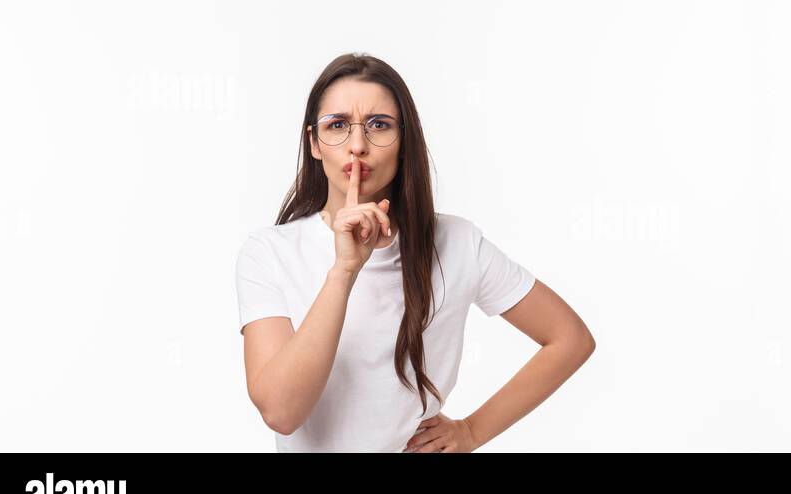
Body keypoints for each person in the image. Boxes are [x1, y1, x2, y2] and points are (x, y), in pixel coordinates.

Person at [234, 53, 595, 452]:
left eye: (379, 125)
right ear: (314, 144)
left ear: (404, 141)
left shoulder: (458, 243)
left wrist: (472, 431)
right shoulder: (269, 252)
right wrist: (344, 271)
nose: (357, 145)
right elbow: (281, 412)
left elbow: (569, 339)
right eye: (337, 125)